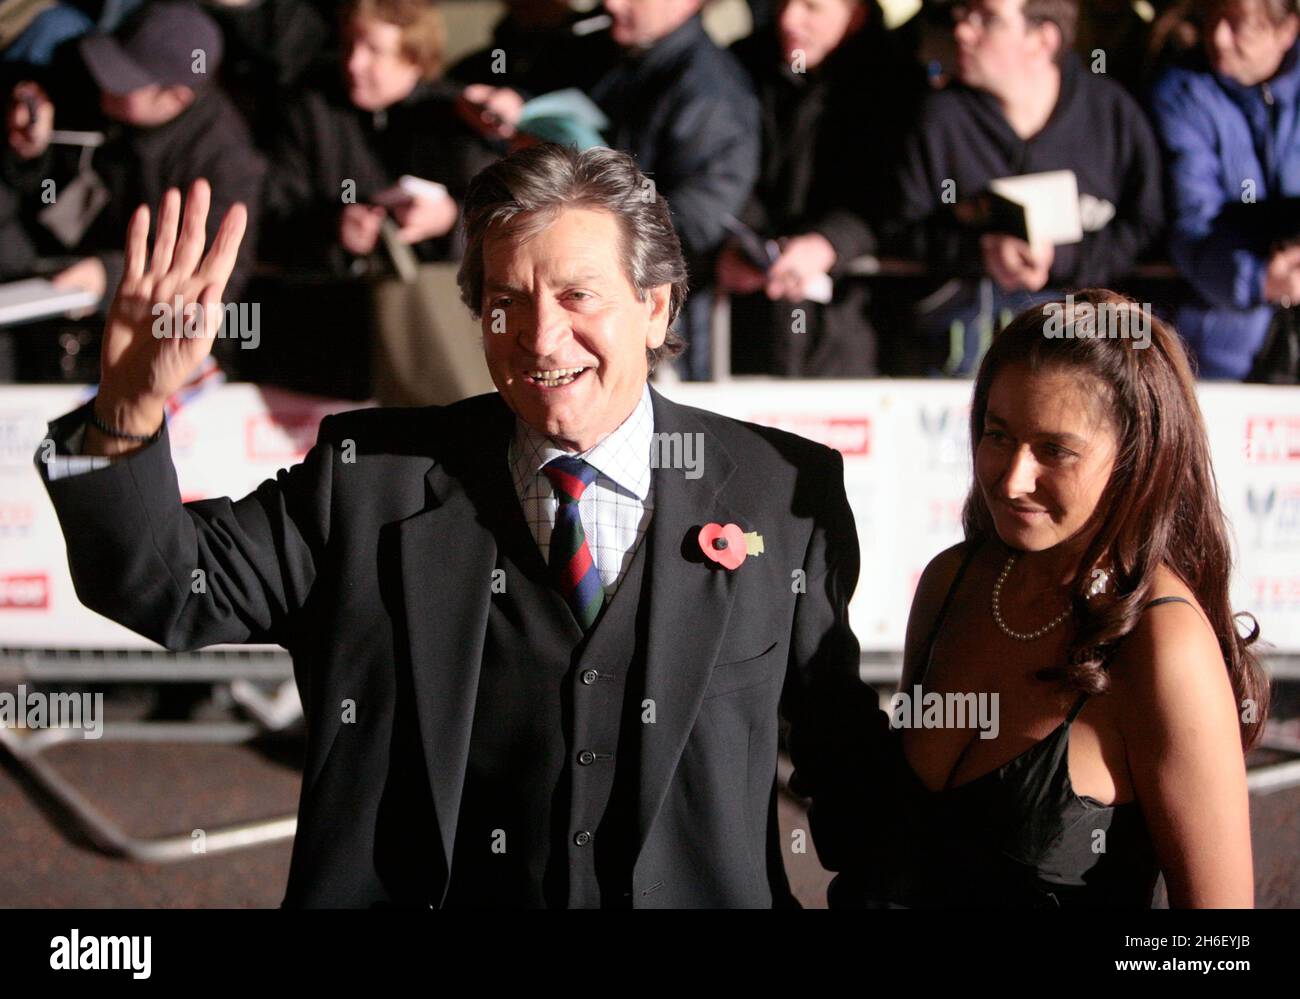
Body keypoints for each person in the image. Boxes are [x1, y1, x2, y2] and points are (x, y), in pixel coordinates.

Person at [32, 144, 879, 908]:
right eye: (507, 301)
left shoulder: (782, 492)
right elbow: (166, 587)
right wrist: (126, 413)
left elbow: (848, 767)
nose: (543, 337)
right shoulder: (367, 483)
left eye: (579, 295)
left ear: (656, 308)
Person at [829, 289, 1267, 907]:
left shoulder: (1164, 643)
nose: (1011, 480)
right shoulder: (953, 580)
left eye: (1054, 451)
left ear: (1135, 458)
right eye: (998, 435)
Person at [460, 0, 761, 380]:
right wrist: (519, 106)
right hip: (578, 288)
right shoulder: (599, 52)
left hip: (660, 327)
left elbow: (702, 217)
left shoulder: (712, 88)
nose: (611, 3)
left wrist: (598, 224)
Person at [888, 0, 1164, 375]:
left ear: (1042, 39)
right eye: (962, 16)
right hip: (959, 356)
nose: (963, 32)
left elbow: (1147, 228)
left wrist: (1063, 258)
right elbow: (897, 229)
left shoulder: (1113, 117)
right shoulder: (939, 120)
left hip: (1087, 357)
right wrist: (979, 253)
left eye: (986, 19)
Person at [2, 1, 265, 309]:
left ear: (176, 98)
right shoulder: (97, 93)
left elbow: (218, 279)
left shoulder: (225, 161)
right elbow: (45, 192)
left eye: (124, 81)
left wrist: (110, 277)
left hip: (133, 315)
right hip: (43, 264)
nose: (105, 84)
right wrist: (30, 153)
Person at [725, 0, 926, 376]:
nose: (789, 19)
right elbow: (724, 169)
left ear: (857, 13)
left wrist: (832, 242)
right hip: (751, 319)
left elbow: (901, 197)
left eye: (812, 7)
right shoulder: (740, 67)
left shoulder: (898, 86)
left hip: (856, 324)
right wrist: (740, 241)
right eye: (782, 2)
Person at [262, 0, 498, 274]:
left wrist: (449, 219)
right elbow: (272, 214)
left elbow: (505, 223)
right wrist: (334, 226)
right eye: (350, 45)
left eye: (374, 51)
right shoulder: (308, 110)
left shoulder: (455, 117)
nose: (354, 63)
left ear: (414, 58)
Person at [1149, 0, 1300, 380]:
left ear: (1286, 31)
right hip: (1217, 341)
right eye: (1212, 18)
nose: (1218, 37)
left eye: (1239, 25)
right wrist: (1260, 278)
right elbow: (1192, 219)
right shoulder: (1182, 93)